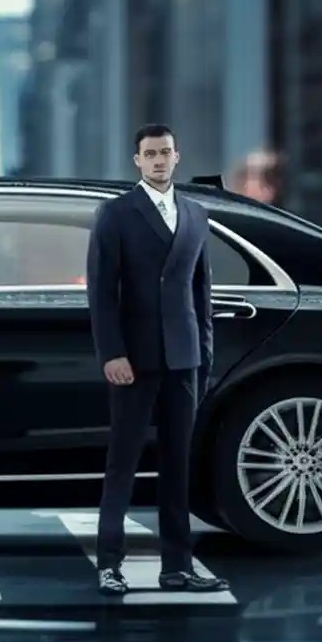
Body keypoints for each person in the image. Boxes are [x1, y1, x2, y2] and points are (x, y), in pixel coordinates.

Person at [85, 123, 229, 596]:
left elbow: (200, 293)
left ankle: (177, 567)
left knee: (178, 467)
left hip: (184, 359)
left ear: (177, 156)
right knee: (122, 465)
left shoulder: (196, 214)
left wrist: (204, 357)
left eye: (166, 152)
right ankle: (109, 564)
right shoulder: (116, 214)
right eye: (150, 154)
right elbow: (102, 292)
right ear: (138, 161)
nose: (159, 160)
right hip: (134, 360)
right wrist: (112, 353)